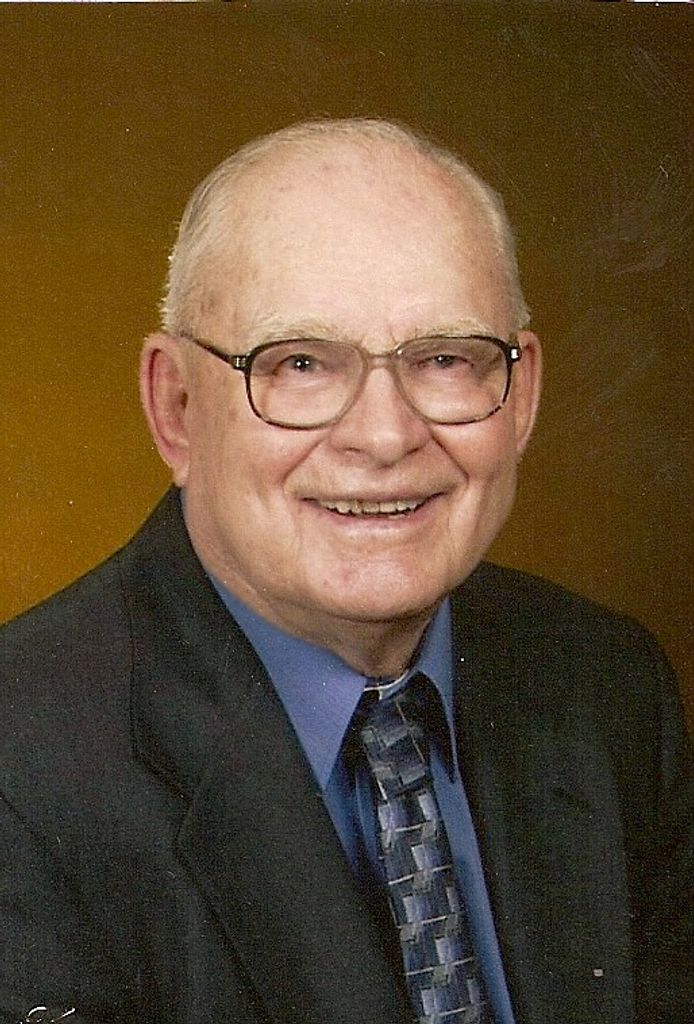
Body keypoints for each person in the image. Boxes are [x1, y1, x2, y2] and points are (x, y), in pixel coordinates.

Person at [1, 118, 691, 1024]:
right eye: (300, 364)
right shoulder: (20, 770)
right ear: (176, 408)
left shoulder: (606, 683)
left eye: (444, 359)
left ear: (520, 398)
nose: (385, 435)